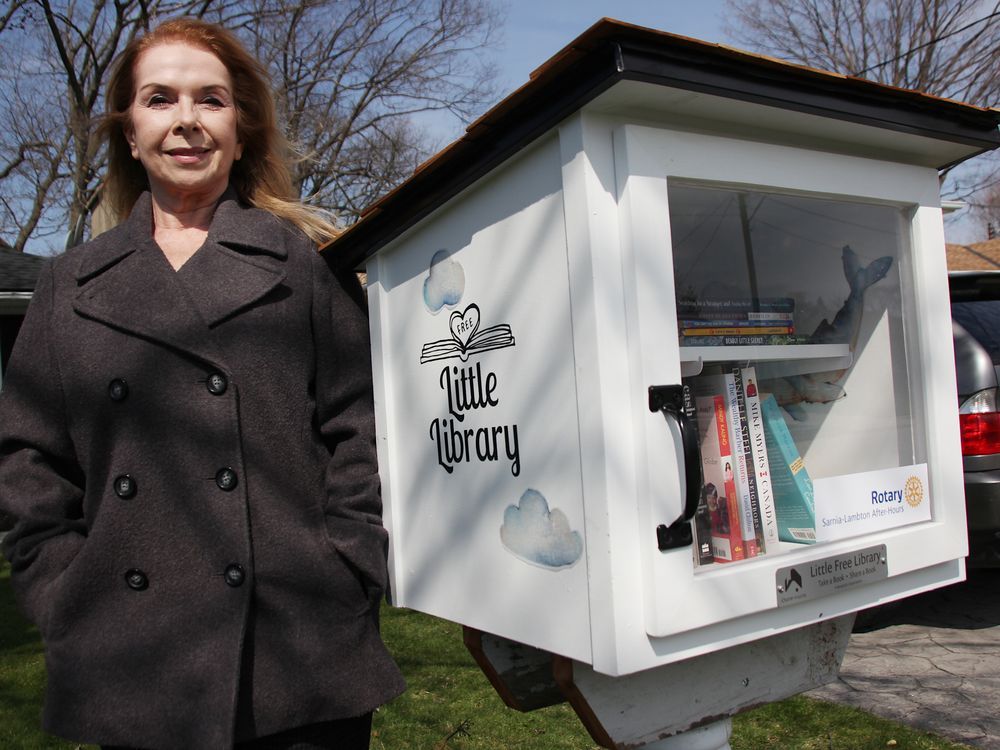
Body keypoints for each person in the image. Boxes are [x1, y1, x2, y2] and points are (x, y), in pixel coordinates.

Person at [0, 18, 404, 750]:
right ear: (129, 133)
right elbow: (28, 462)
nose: (186, 120)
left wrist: (348, 563)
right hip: (131, 653)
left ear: (241, 130)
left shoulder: (306, 265)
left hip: (298, 649)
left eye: (209, 99)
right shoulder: (68, 286)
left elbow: (362, 427)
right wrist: (62, 594)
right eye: (160, 98)